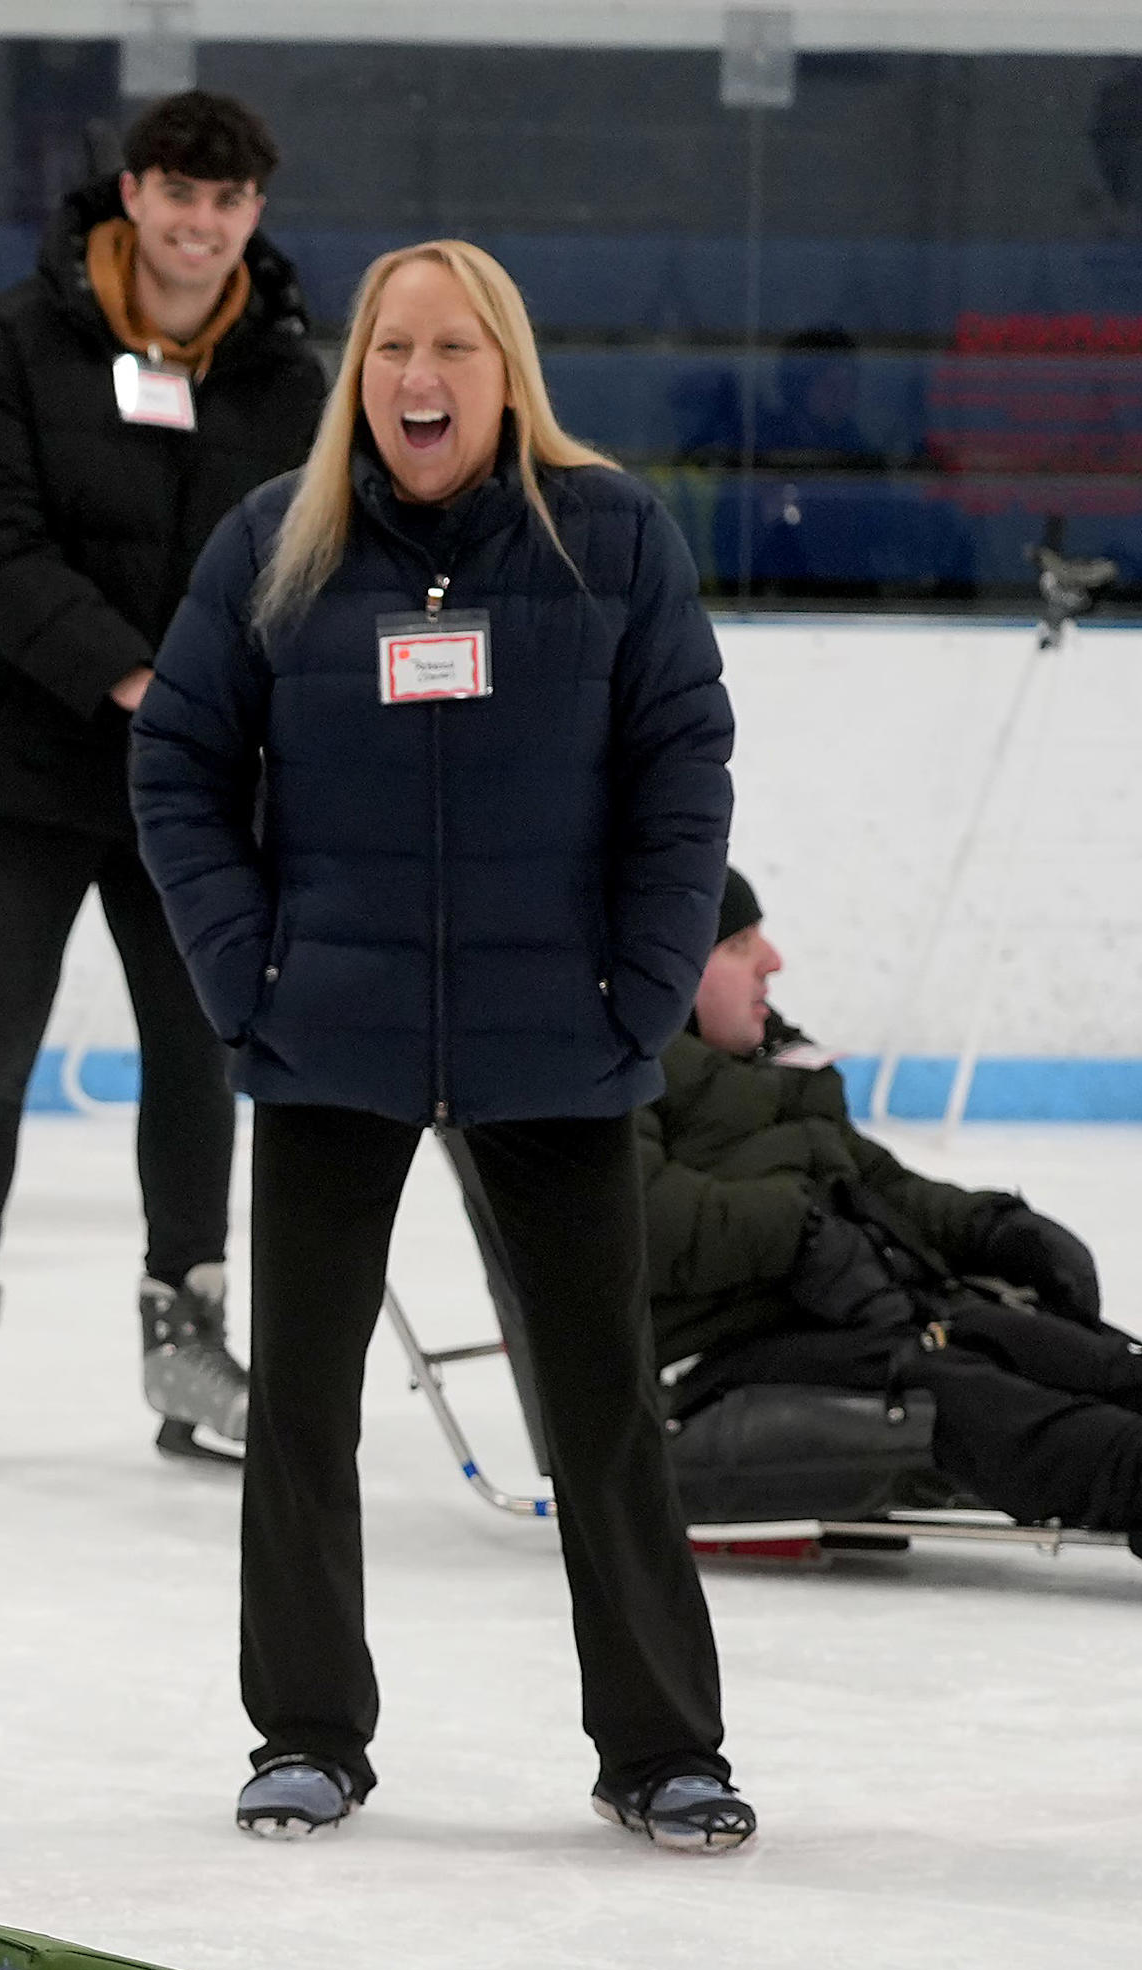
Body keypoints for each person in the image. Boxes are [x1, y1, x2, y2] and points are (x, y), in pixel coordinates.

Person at [133, 239, 748, 1852]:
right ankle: (307, 1730)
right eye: (393, 349)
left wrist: (644, 981)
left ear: (507, 372)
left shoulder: (607, 534)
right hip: (327, 1031)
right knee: (303, 1406)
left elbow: (686, 761)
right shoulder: (280, 541)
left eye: (454, 350)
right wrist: (243, 974)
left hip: (560, 1033)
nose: (420, 379)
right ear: (360, 374)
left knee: (605, 1401)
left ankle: (662, 1745)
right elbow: (178, 760)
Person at [0, 90, 322, 1469]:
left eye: (228, 202)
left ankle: (186, 1329)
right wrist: (138, 680)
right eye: (178, 196)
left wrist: (220, 715)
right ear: (129, 194)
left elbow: (304, 562)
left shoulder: (287, 374)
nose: (201, 226)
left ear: (252, 213)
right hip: (28, 763)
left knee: (194, 1056)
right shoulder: (18, 340)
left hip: (194, 782)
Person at [644, 873, 1142, 1544]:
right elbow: (639, 1217)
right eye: (743, 944)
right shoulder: (622, 1082)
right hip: (718, 1358)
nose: (773, 962)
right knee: (961, 1386)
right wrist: (801, 1234)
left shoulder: (773, 1070)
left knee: (1064, 1346)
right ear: (676, 962)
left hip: (857, 1313)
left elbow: (884, 1185)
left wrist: (994, 1226)